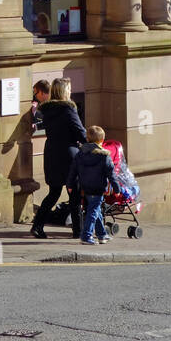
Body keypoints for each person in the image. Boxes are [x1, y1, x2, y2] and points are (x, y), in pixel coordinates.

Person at [29, 77, 86, 239]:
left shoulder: (46, 110)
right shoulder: (69, 109)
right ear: (64, 91)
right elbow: (79, 132)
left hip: (52, 153)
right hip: (69, 155)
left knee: (54, 192)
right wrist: (91, 144)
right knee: (74, 194)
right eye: (68, 89)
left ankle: (37, 226)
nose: (70, 92)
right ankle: (78, 231)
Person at [67, 125, 118, 244]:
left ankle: (101, 234)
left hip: (85, 187)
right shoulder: (104, 156)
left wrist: (70, 184)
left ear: (87, 139)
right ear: (102, 140)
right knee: (93, 211)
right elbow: (111, 174)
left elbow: (73, 171)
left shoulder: (80, 154)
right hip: (98, 188)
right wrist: (117, 188)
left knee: (96, 210)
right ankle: (86, 236)